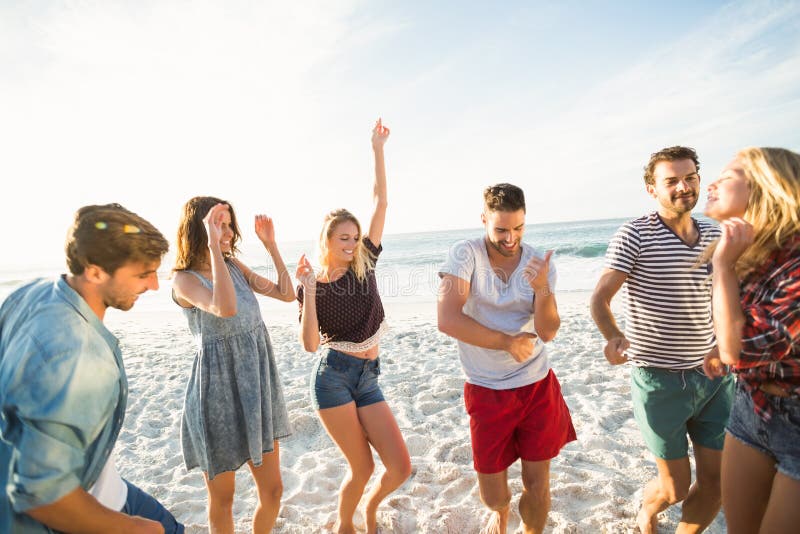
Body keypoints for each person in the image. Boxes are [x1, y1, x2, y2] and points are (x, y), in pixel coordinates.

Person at [0, 203, 182, 533]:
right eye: (143, 274)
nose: (155, 285)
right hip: (66, 512)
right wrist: (133, 529)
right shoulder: (72, 353)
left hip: (101, 484)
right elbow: (42, 494)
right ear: (95, 271)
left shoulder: (32, 292)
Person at [590, 146, 733, 533]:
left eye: (690, 178)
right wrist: (613, 336)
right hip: (659, 380)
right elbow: (600, 298)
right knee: (675, 489)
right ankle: (648, 511)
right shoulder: (635, 234)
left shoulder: (716, 235)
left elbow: (727, 299)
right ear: (652, 189)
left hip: (715, 378)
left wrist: (726, 345)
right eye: (671, 181)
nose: (683, 187)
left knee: (717, 483)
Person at [437, 183, 576, 534]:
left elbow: (548, 332)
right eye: (500, 229)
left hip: (536, 385)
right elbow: (447, 319)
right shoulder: (464, 255)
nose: (510, 238)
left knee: (538, 484)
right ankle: (499, 512)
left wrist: (543, 288)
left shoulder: (539, 262)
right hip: (486, 388)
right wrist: (506, 342)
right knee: (494, 496)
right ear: (483, 220)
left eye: (518, 228)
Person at [295, 119, 411, 534]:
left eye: (355, 236)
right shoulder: (314, 285)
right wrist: (307, 291)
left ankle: (372, 509)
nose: (351, 242)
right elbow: (310, 345)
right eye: (344, 237)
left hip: (368, 376)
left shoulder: (366, 262)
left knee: (399, 466)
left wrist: (377, 148)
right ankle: (346, 523)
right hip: (333, 378)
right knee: (360, 467)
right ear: (327, 239)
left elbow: (381, 202)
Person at [172, 198, 295, 533]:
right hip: (216, 395)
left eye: (228, 225)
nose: (227, 233)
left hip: (257, 386)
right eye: (218, 224)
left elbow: (287, 294)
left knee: (273, 490)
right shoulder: (184, 281)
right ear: (199, 228)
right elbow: (223, 308)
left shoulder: (235, 267)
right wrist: (213, 248)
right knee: (223, 501)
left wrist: (271, 246)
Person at [702, 147, 800, 533]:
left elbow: (737, 348)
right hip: (752, 405)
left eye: (726, 178)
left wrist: (722, 267)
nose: (710, 183)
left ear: (766, 189)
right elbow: (736, 336)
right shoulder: (756, 252)